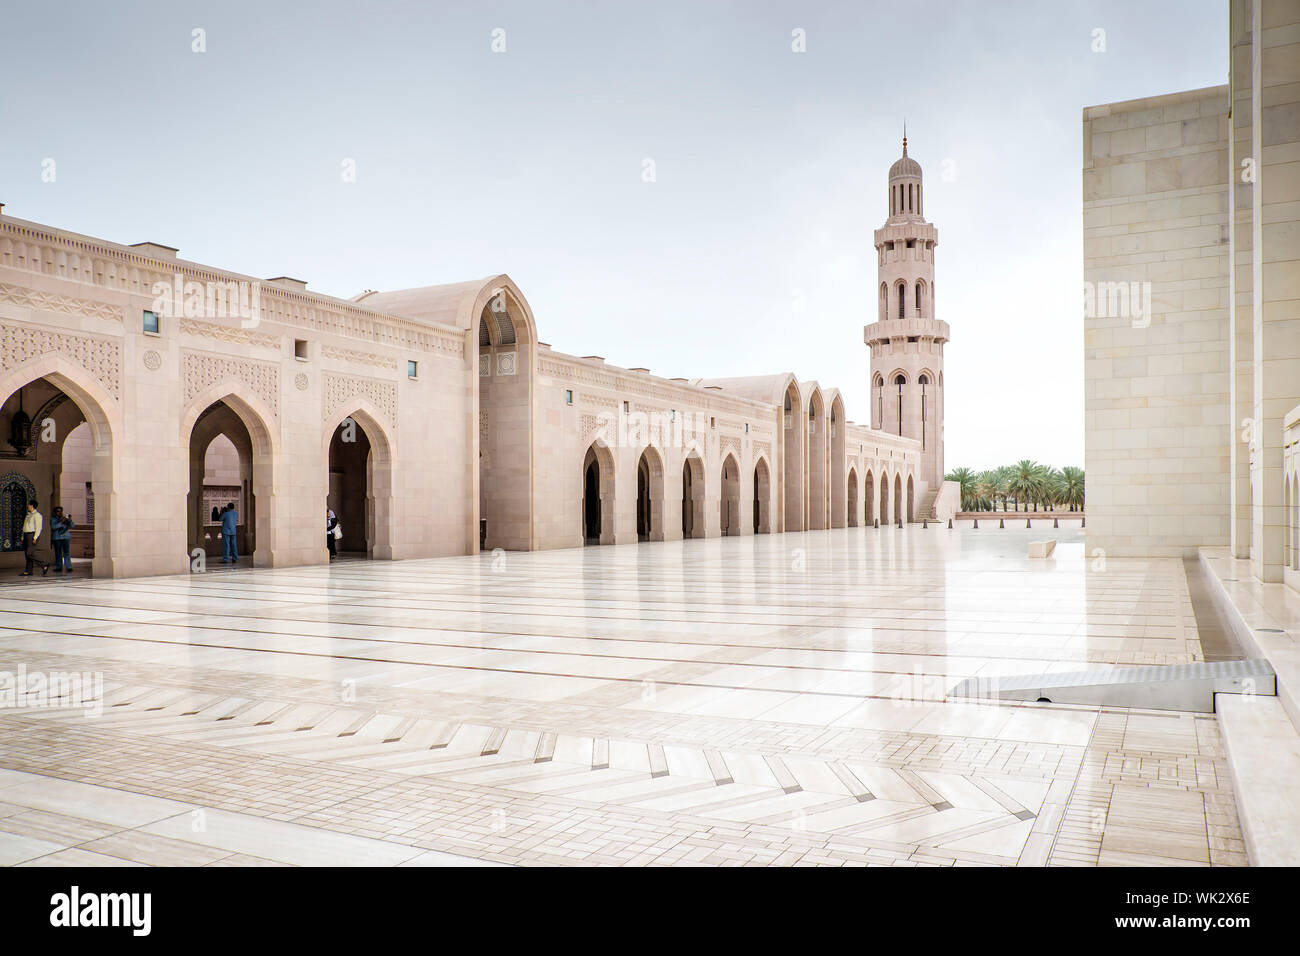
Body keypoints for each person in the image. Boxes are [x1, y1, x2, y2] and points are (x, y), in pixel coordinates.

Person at [21, 500, 48, 576]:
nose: (27, 506)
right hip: (26, 534)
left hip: (32, 535)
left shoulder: (37, 515)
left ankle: (44, 564)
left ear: (32, 506)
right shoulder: (28, 515)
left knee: (29, 553)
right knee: (27, 554)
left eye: (28, 505)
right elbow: (25, 527)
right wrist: (22, 536)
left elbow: (38, 528)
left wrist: (35, 537)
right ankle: (29, 571)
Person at [50, 506, 74, 574]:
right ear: (55, 512)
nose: (59, 513)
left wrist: (70, 520)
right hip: (57, 538)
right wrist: (61, 522)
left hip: (65, 537)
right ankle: (59, 567)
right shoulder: (53, 519)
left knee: (67, 552)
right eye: (58, 511)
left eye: (61, 511)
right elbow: (53, 527)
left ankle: (69, 566)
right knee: (58, 553)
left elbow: (72, 525)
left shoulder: (65, 518)